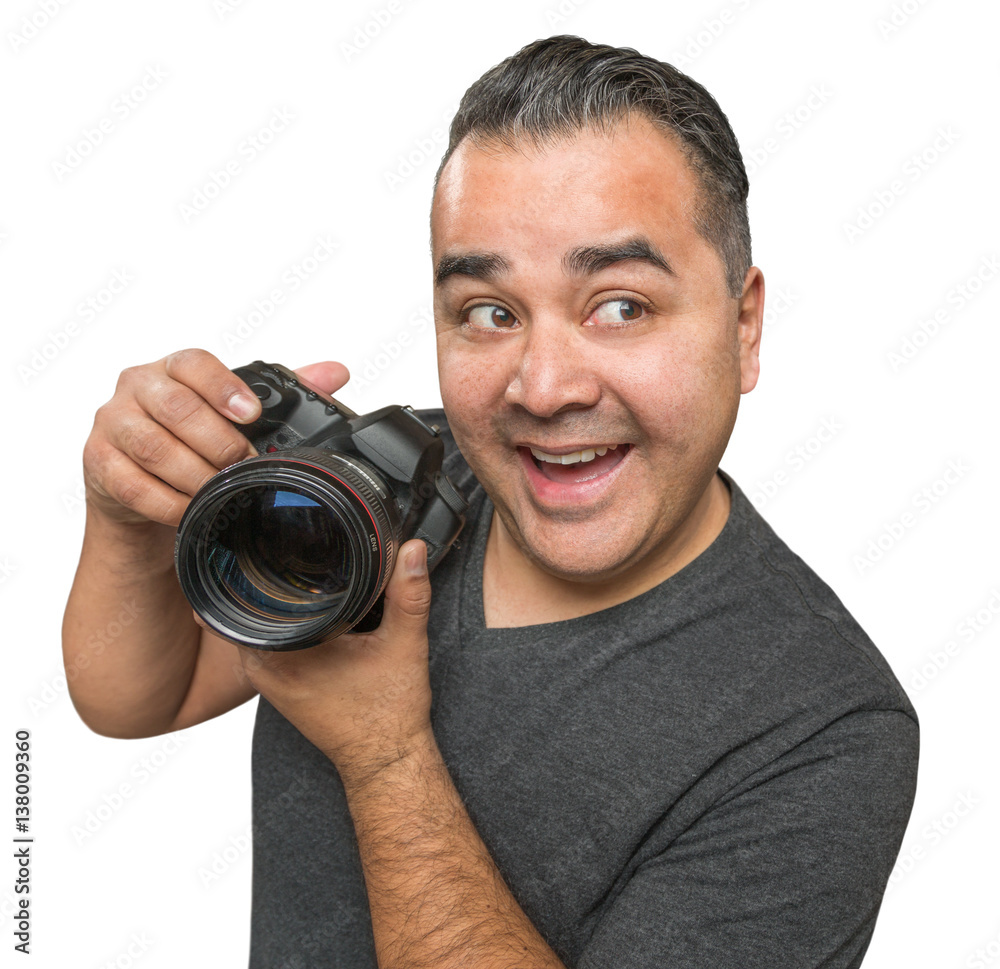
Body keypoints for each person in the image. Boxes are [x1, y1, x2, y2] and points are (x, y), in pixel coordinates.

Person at [62, 35, 919, 968]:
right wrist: (123, 517)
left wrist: (387, 755)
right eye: (489, 312)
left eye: (620, 305)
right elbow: (140, 695)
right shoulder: (393, 490)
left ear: (743, 325)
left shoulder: (823, 726)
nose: (543, 388)